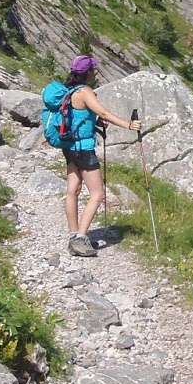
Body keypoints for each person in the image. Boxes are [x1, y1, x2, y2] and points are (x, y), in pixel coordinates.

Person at [55, 55, 140, 258]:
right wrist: (128, 125)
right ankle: (80, 239)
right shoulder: (85, 91)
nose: (95, 72)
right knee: (98, 194)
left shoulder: (70, 91)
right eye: (93, 69)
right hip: (84, 149)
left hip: (70, 147)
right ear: (88, 73)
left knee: (73, 191)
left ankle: (74, 235)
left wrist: (95, 122)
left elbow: (79, 116)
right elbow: (103, 112)